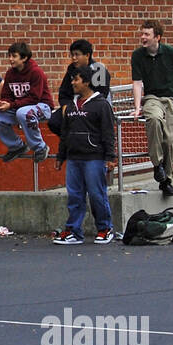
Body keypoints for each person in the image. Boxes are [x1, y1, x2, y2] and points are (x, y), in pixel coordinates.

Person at [53, 66, 117, 245]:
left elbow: (108, 133)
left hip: (94, 158)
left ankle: (105, 228)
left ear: (87, 82)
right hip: (74, 158)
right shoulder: (71, 105)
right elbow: (65, 132)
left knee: (97, 194)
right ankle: (73, 230)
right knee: (74, 196)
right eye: (72, 79)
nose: (72, 83)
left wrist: (110, 157)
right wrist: (61, 156)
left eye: (76, 80)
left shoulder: (101, 104)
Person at [129, 20, 173, 198]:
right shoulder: (137, 55)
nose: (143, 37)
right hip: (153, 97)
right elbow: (137, 83)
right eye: (142, 33)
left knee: (171, 136)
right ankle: (157, 164)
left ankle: (166, 180)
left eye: (147, 34)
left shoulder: (171, 53)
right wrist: (138, 107)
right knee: (153, 119)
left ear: (157, 37)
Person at [0, 41, 54, 163]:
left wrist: (12, 104)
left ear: (24, 57)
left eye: (14, 56)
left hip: (41, 106)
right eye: (9, 56)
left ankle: (40, 147)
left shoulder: (36, 72)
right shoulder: (10, 73)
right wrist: (3, 103)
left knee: (23, 113)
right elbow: (7, 95)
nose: (11, 59)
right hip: (19, 107)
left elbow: (34, 98)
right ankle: (16, 146)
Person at [56, 39, 112, 106]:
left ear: (87, 55)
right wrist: (67, 108)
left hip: (98, 109)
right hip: (75, 109)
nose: (74, 58)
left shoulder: (99, 70)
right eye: (72, 55)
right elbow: (63, 94)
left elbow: (102, 94)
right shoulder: (71, 69)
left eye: (77, 54)